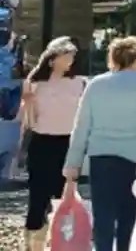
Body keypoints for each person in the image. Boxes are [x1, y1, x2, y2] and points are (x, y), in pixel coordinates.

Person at [63, 36, 136, 251]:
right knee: (127, 212)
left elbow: (82, 125)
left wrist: (72, 162)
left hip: (100, 156)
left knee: (103, 213)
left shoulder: (96, 84)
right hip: (134, 157)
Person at [20, 37, 83, 251]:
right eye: (66, 56)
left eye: (72, 57)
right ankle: (33, 244)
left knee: (64, 195)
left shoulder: (79, 83)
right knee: (38, 196)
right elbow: (28, 121)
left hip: (68, 142)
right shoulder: (35, 83)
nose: (70, 61)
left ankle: (61, 242)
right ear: (53, 59)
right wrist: (27, 103)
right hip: (42, 142)